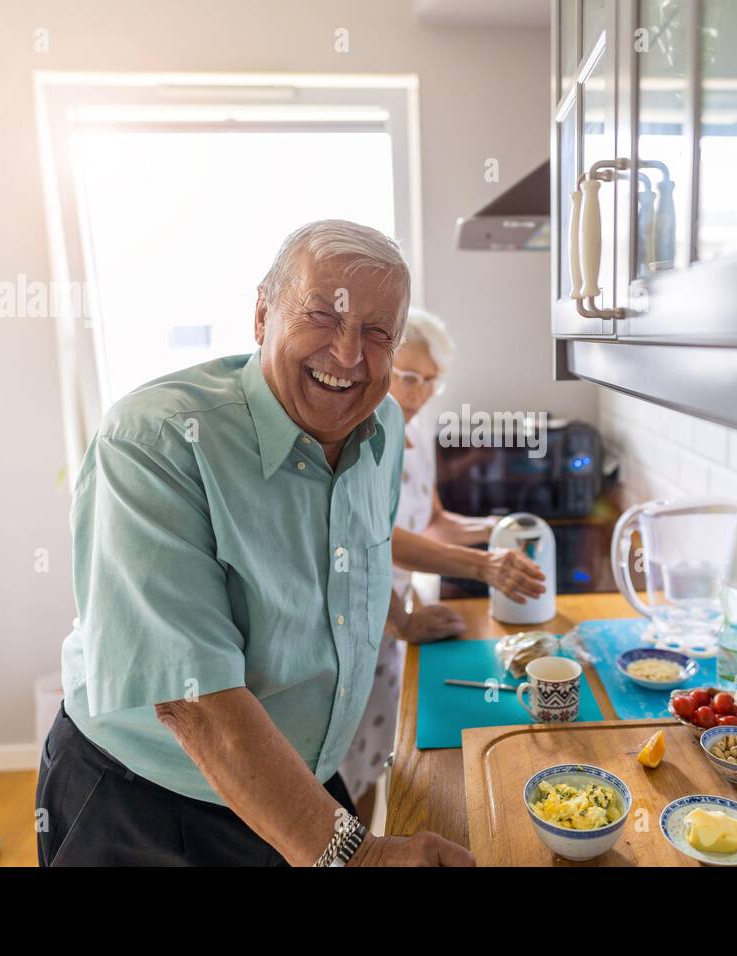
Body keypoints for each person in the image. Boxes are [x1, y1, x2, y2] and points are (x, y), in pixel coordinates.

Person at [36, 220, 473, 866]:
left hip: (296, 783)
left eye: (378, 332)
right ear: (262, 315)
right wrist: (358, 856)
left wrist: (403, 623)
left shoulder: (378, 421)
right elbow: (195, 703)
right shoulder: (154, 441)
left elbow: (360, 561)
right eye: (322, 316)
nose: (349, 355)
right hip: (147, 806)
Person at [339, 308, 546, 820]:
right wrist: (482, 567)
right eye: (410, 377)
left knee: (373, 763)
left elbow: (431, 521)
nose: (422, 391)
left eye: (432, 380)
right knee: (335, 777)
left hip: (391, 619)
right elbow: (373, 538)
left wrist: (501, 527)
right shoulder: (360, 436)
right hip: (358, 621)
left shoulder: (417, 432)